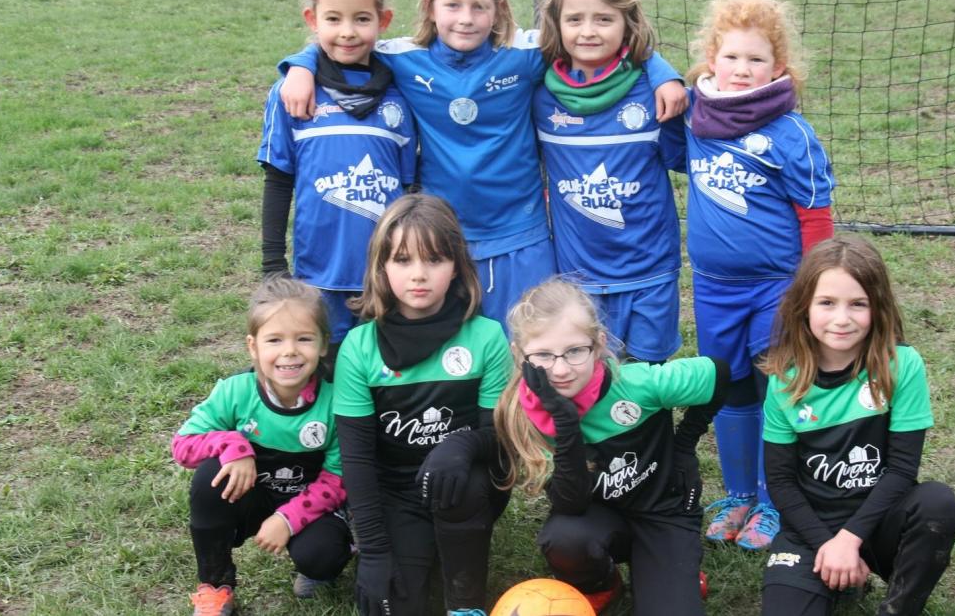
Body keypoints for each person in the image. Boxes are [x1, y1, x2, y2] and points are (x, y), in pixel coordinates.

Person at [274, 0, 689, 325]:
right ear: (429, 7)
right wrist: (301, 65)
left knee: (531, 344)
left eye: (479, 7)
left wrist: (660, 70)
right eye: (453, 5)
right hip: (442, 240)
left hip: (522, 236)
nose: (466, 19)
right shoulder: (401, 58)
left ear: (499, 9)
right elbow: (344, 44)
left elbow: (601, 42)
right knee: (456, 356)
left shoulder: (528, 54)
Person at [684, 0, 836, 550]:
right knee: (728, 387)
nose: (742, 69)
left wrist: (813, 286)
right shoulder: (695, 118)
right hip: (713, 289)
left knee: (779, 387)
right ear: (711, 60)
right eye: (731, 57)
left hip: (777, 288)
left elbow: (816, 216)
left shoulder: (790, 133)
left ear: (778, 68)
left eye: (756, 59)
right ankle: (739, 495)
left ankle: (777, 502)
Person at [494, 280, 730, 615]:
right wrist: (565, 424)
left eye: (575, 351)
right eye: (543, 355)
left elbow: (718, 374)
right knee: (564, 539)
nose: (560, 369)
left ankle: (672, 573)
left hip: (663, 513)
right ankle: (603, 583)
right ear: (521, 356)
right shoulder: (527, 413)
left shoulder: (638, 385)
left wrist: (684, 446)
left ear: (599, 344)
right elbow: (570, 504)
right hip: (596, 517)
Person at [759, 235, 955, 615]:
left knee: (937, 504)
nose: (842, 318)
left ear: (878, 307)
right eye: (827, 303)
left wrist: (850, 538)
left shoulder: (900, 365)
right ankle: (835, 575)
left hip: (880, 517)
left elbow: (902, 469)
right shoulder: (784, 378)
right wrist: (828, 545)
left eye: (858, 304)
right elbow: (781, 482)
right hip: (812, 527)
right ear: (803, 306)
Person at [333, 193, 512, 616]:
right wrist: (374, 551)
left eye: (434, 259)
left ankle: (466, 602)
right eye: (402, 260)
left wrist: (460, 446)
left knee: (461, 480)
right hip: (395, 493)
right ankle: (415, 546)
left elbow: (502, 441)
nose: (419, 274)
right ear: (382, 266)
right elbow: (357, 460)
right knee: (398, 602)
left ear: (457, 266)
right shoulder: (358, 348)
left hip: (466, 485)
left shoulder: (487, 337)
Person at [257, 0, 416, 361]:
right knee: (322, 372)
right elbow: (278, 180)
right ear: (312, 20)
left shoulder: (402, 95)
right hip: (318, 279)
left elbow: (410, 190)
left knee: (380, 373)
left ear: (383, 20)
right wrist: (273, 265)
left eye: (361, 19)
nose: (347, 32)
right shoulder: (293, 93)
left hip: (385, 279)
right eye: (333, 19)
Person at [532, 0, 686, 364]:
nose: (588, 31)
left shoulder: (653, 92)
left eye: (604, 18)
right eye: (575, 19)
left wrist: (661, 70)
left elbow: (686, 159)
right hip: (579, 279)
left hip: (650, 272)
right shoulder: (539, 95)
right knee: (589, 378)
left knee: (647, 381)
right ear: (556, 24)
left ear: (627, 24)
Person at [172, 277, 353, 616]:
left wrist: (288, 519)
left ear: (323, 344)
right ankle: (215, 585)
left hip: (310, 500)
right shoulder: (234, 392)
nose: (290, 351)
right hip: (251, 495)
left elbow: (339, 478)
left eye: (304, 338)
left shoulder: (336, 400)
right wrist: (232, 443)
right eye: (275, 339)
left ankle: (318, 565)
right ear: (253, 347)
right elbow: (182, 446)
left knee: (322, 555)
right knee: (210, 478)